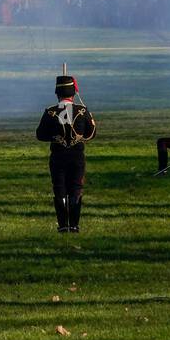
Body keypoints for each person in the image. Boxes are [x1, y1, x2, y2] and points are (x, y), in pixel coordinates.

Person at [35, 74, 97, 232]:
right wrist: (93, 123)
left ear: (57, 94)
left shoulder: (50, 112)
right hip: (77, 157)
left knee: (59, 188)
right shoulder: (82, 111)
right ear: (74, 93)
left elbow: (40, 135)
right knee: (76, 189)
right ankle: (74, 225)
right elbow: (91, 135)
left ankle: (63, 225)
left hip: (57, 157)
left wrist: (56, 137)